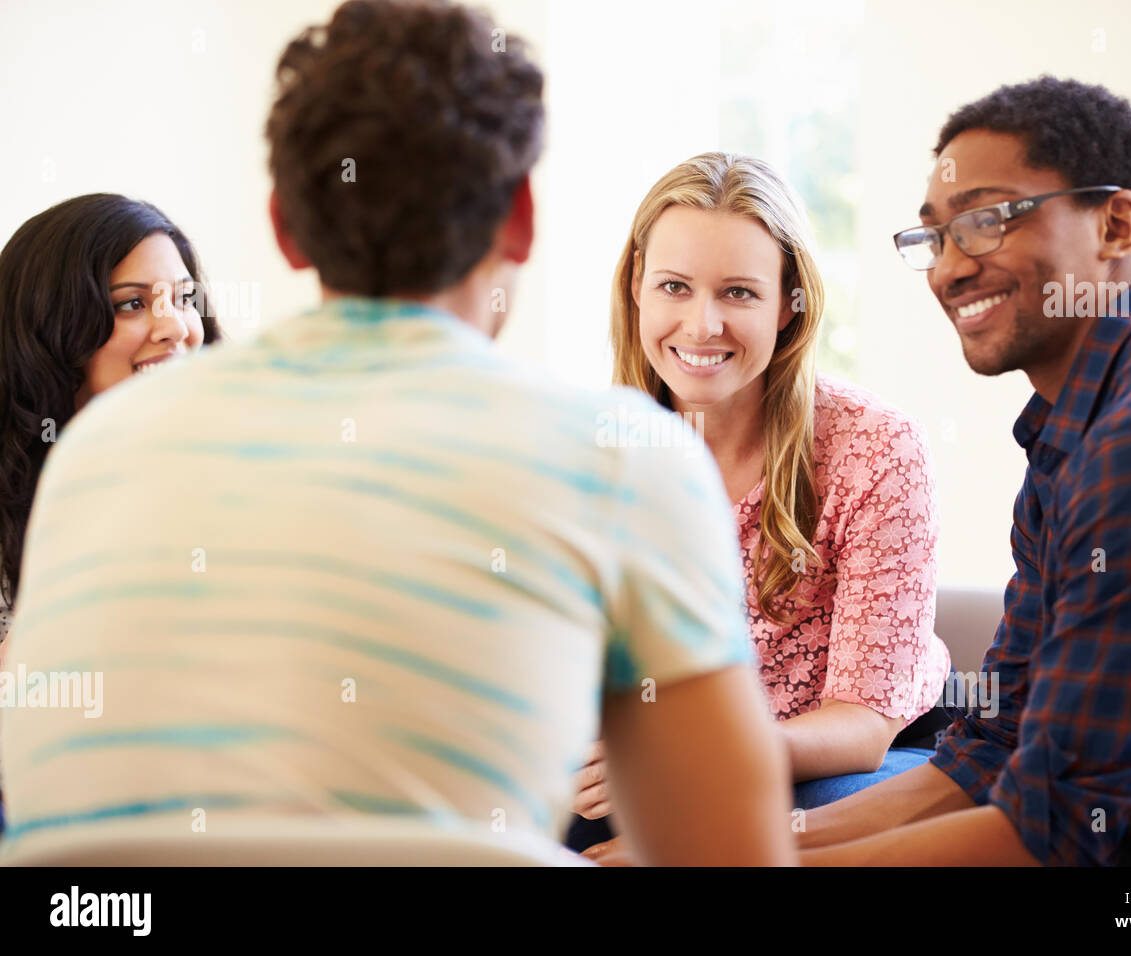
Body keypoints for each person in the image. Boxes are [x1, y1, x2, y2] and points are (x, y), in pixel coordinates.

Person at [0, 0, 794, 867]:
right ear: (521, 219)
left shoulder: (91, 457)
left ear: (285, 227)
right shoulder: (623, 457)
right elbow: (732, 858)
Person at [800, 76, 1131, 865]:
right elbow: (993, 747)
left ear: (1115, 224)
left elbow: (1052, 830)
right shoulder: (1075, 430)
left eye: (987, 221)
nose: (949, 269)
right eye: (935, 237)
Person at [571, 153, 952, 856]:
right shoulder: (592, 452)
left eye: (739, 293)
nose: (702, 324)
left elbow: (863, 723)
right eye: (675, 287)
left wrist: (688, 769)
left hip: (844, 757)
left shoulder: (875, 447)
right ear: (636, 288)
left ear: (789, 303)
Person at [0, 195, 219, 835]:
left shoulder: (223, 481)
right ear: (49, 328)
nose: (176, 326)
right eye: (132, 303)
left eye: (183, 298)